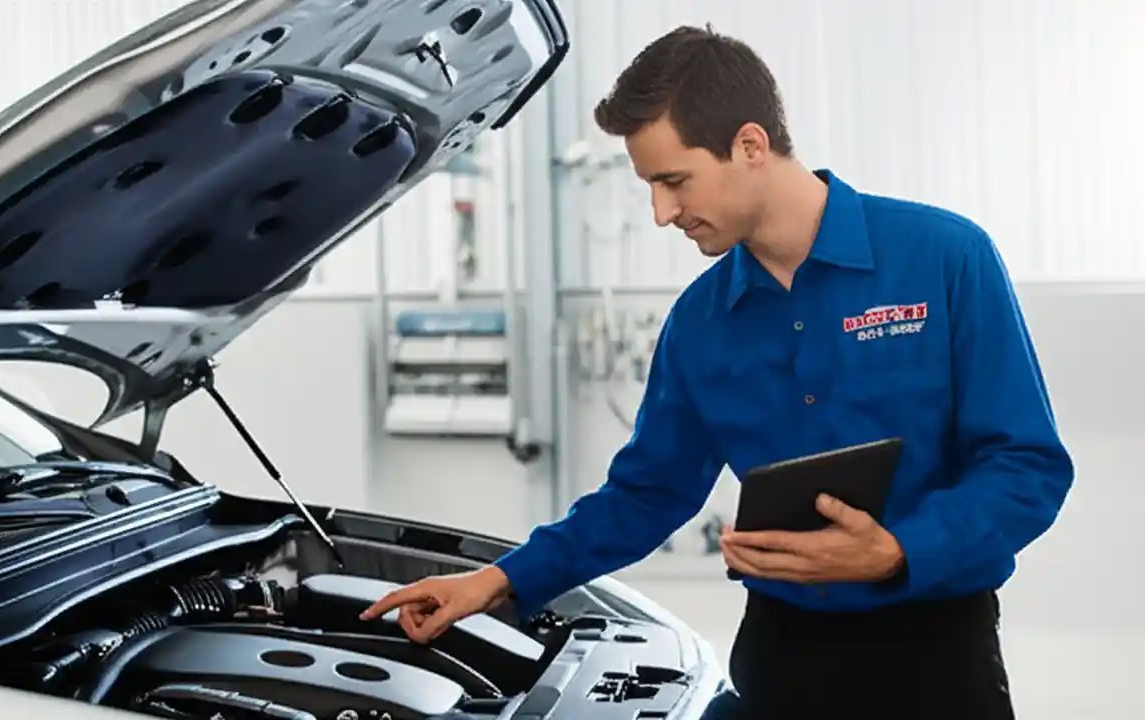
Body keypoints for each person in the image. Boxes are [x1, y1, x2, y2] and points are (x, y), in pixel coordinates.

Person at [359, 24, 1074, 719]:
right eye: (649, 186)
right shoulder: (700, 323)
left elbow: (1027, 468)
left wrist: (896, 551)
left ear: (750, 145)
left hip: (936, 658)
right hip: (782, 659)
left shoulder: (946, 258)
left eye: (674, 181)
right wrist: (497, 581)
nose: (663, 212)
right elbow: (645, 496)